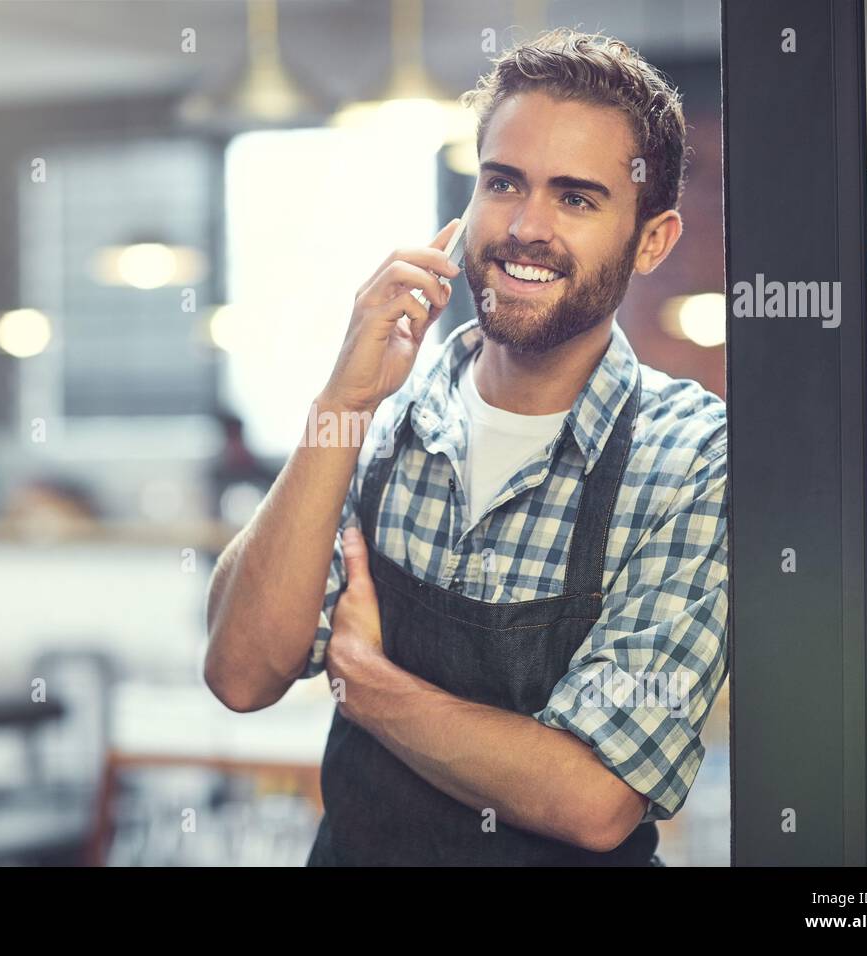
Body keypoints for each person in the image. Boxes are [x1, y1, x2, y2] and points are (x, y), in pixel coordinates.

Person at [204, 28, 728, 866]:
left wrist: (369, 686)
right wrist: (341, 402)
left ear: (652, 241)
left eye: (577, 198)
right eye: (503, 183)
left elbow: (595, 798)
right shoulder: (384, 422)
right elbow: (240, 673)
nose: (526, 227)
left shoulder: (690, 458)